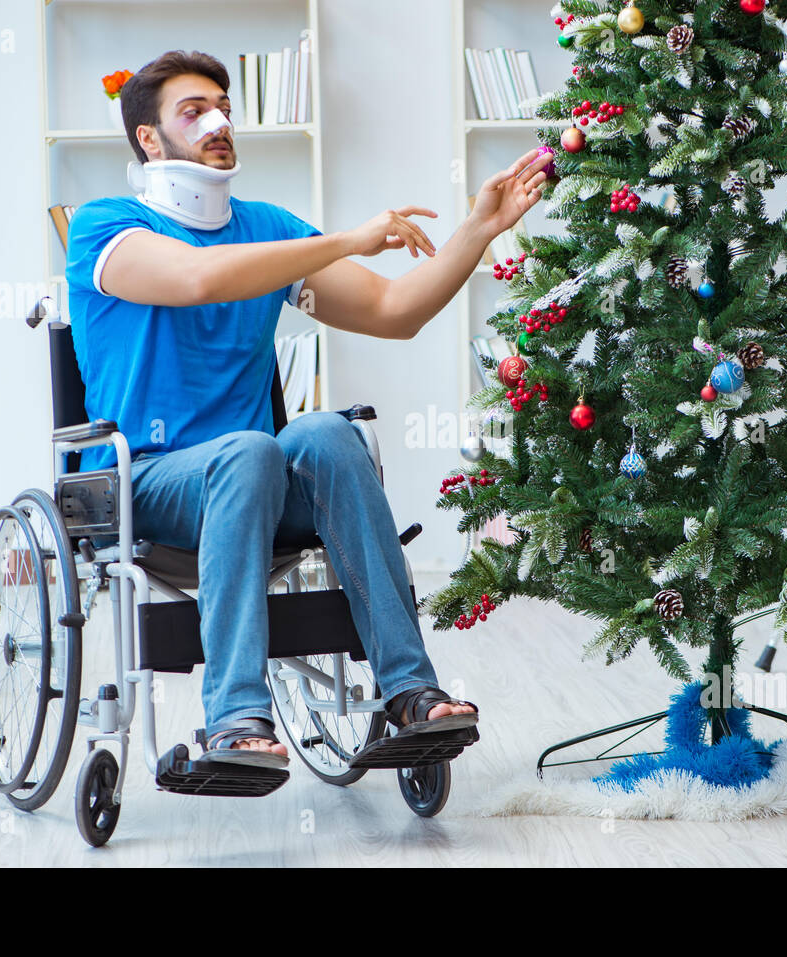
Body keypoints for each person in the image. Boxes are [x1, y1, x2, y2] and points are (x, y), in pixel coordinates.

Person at [65, 50, 550, 768]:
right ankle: (235, 717)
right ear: (147, 139)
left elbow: (394, 309)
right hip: (145, 483)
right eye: (193, 111)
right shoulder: (103, 226)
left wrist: (481, 228)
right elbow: (197, 279)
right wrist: (349, 238)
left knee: (326, 432)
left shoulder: (265, 227)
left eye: (224, 105)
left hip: (252, 485)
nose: (219, 121)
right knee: (252, 448)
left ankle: (409, 692)